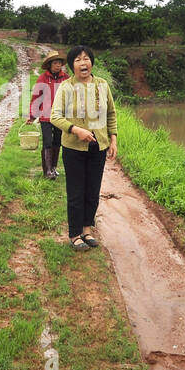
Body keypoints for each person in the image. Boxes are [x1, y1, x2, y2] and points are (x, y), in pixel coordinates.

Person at [50, 45, 117, 250]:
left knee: (93, 190)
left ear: (91, 62)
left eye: (86, 58)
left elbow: (111, 114)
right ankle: (74, 234)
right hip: (73, 148)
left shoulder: (103, 85)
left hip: (99, 148)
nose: (83, 62)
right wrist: (76, 130)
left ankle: (87, 229)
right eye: (78, 60)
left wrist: (113, 139)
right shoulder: (66, 88)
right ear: (72, 66)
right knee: (76, 191)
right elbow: (55, 117)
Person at [28, 51, 70, 179]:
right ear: (50, 65)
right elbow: (36, 97)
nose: (58, 66)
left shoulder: (66, 78)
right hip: (46, 115)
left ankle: (53, 168)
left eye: (60, 63)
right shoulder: (43, 78)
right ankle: (47, 171)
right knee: (47, 142)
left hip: (60, 116)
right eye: (55, 63)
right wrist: (32, 115)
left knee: (57, 142)